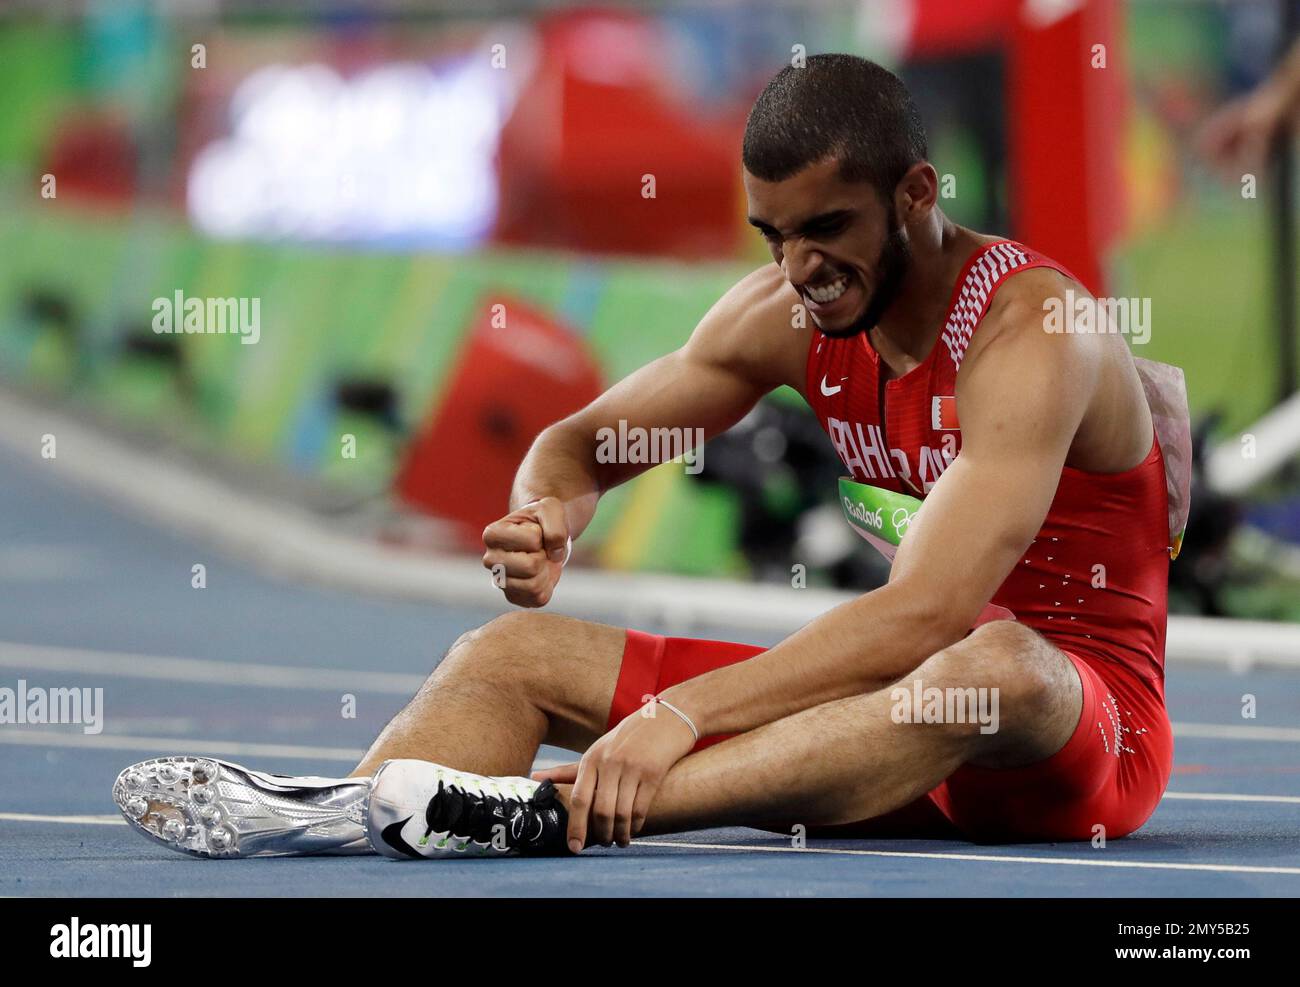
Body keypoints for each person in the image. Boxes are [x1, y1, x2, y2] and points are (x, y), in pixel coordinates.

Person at [114, 54, 1179, 860]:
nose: (803, 269)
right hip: (860, 737)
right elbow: (577, 445)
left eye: (828, 228)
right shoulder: (790, 313)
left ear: (916, 193)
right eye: (773, 236)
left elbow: (930, 611)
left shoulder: (1029, 331)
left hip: (1066, 741)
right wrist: (549, 513)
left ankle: (546, 812)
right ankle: (348, 822)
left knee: (992, 669)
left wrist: (676, 719)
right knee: (503, 659)